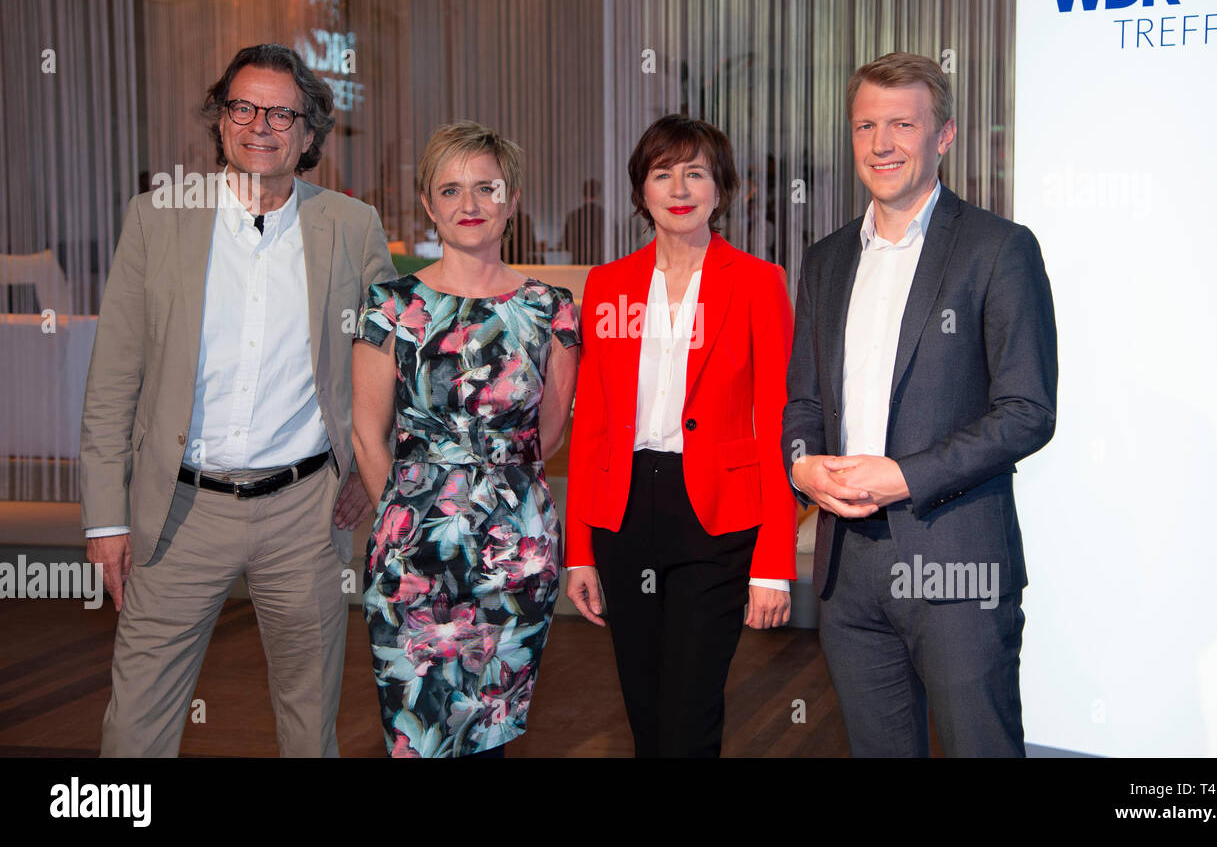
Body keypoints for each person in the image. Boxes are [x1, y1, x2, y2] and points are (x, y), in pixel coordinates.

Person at [82, 43, 397, 757]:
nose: (261, 125)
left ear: (310, 132)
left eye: (282, 112)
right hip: (177, 513)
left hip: (304, 511)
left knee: (309, 724)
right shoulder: (156, 219)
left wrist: (370, 469)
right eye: (243, 107)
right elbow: (111, 382)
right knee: (135, 728)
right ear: (221, 121)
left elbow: (392, 365)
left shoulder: (352, 228)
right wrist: (105, 519)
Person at [781, 52, 1058, 757]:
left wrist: (904, 476)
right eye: (865, 125)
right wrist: (802, 467)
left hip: (958, 560)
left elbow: (1028, 410)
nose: (881, 143)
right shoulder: (826, 259)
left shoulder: (999, 249)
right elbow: (804, 402)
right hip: (847, 569)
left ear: (944, 136)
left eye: (903, 123)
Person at [565, 113, 797, 757]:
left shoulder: (757, 282)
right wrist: (579, 550)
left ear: (720, 188)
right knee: (644, 706)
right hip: (624, 513)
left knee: (690, 711)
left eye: (696, 172)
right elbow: (592, 426)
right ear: (642, 191)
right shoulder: (608, 286)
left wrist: (774, 564)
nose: (680, 187)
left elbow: (779, 422)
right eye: (662, 173)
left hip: (717, 520)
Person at [351, 120, 580, 758]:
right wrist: (404, 517)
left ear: (511, 199)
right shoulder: (389, 306)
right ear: (428, 204)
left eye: (486, 188)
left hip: (517, 550)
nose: (469, 205)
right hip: (411, 554)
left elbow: (549, 433)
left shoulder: (550, 308)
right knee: (416, 737)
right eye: (450, 190)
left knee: (489, 735)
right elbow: (368, 439)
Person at [563, 178, 604, 263]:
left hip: (578, 264)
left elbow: (567, 244)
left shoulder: (573, 216)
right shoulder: (606, 218)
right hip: (600, 263)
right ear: (599, 194)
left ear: (583, 193)